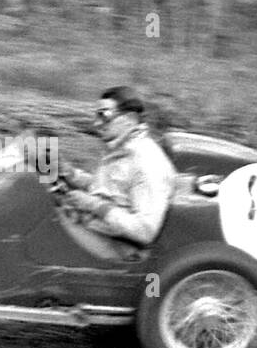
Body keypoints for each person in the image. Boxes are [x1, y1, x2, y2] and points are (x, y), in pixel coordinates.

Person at [58, 86, 177, 248]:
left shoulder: (148, 162)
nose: (96, 123)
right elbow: (110, 189)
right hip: (91, 232)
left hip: (108, 247)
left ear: (130, 119)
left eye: (104, 116)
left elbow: (145, 230)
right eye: (96, 115)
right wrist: (70, 174)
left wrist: (94, 205)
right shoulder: (122, 150)